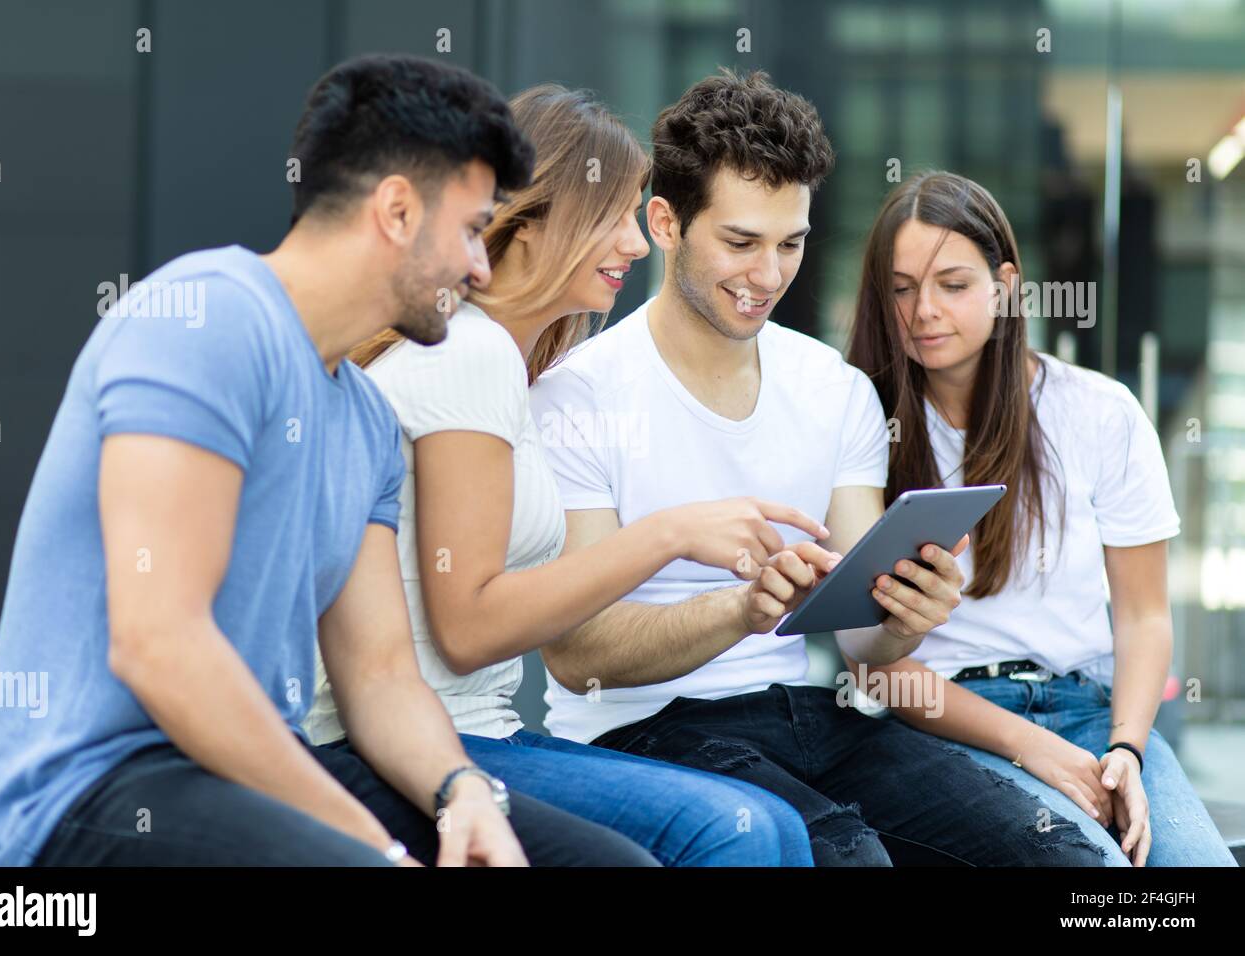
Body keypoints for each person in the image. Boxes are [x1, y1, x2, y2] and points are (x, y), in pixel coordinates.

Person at [0, 54, 658, 868]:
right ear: (398, 211)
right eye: (473, 230)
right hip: (96, 798)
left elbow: (380, 682)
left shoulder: (364, 418)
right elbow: (161, 645)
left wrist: (463, 795)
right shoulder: (204, 320)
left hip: (256, 783)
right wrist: (370, 845)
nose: (482, 266)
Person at [531, 69, 1107, 866]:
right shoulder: (576, 397)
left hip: (812, 712)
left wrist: (905, 615)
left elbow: (866, 648)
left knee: (1062, 860)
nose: (767, 275)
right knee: (851, 859)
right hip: (642, 728)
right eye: (740, 242)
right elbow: (578, 651)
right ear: (665, 223)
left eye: (791, 243)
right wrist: (741, 610)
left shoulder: (833, 391)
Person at [307, 84, 815, 867]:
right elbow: (471, 628)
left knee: (772, 826)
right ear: (536, 220)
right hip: (421, 745)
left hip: (482, 730)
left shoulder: (509, 363)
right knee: (732, 832)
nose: (638, 243)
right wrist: (671, 534)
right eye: (614, 215)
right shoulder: (468, 356)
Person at [841, 169, 1237, 867]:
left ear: (1006, 285)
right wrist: (1035, 748)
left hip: (1091, 709)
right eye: (901, 289)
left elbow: (1144, 618)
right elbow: (873, 664)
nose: (923, 311)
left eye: (953, 285)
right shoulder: (866, 424)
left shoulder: (1099, 412)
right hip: (949, 723)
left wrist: (1125, 752)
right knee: (1096, 871)